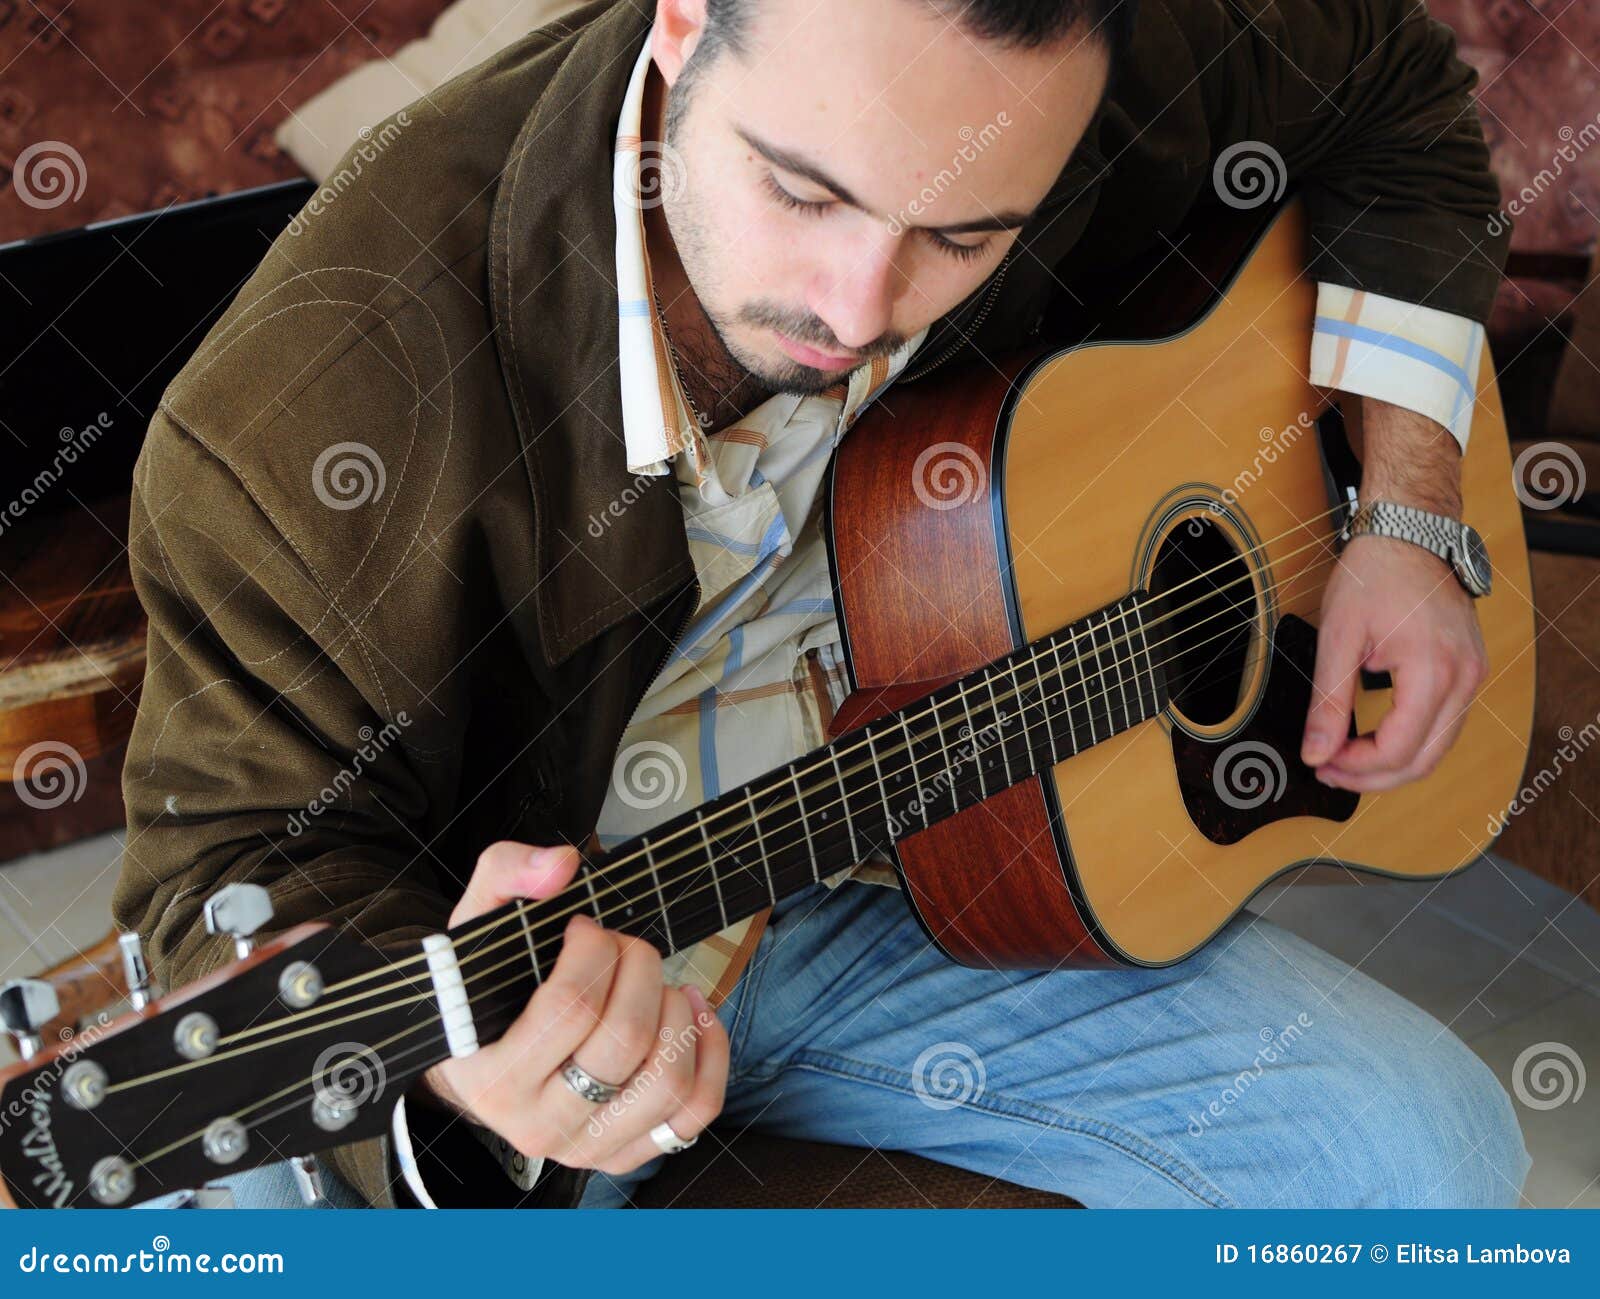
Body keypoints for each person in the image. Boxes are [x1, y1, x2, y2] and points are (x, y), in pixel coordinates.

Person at [118, 0, 1530, 1209]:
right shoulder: (301, 426)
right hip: (574, 962)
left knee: (1430, 1160)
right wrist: (461, 1086)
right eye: (804, 193)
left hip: (906, 878)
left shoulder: (1097, 46)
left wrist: (1405, 510)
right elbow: (232, 870)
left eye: (966, 236)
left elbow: (1396, 100)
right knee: (290, 1187)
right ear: (682, 22)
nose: (860, 307)